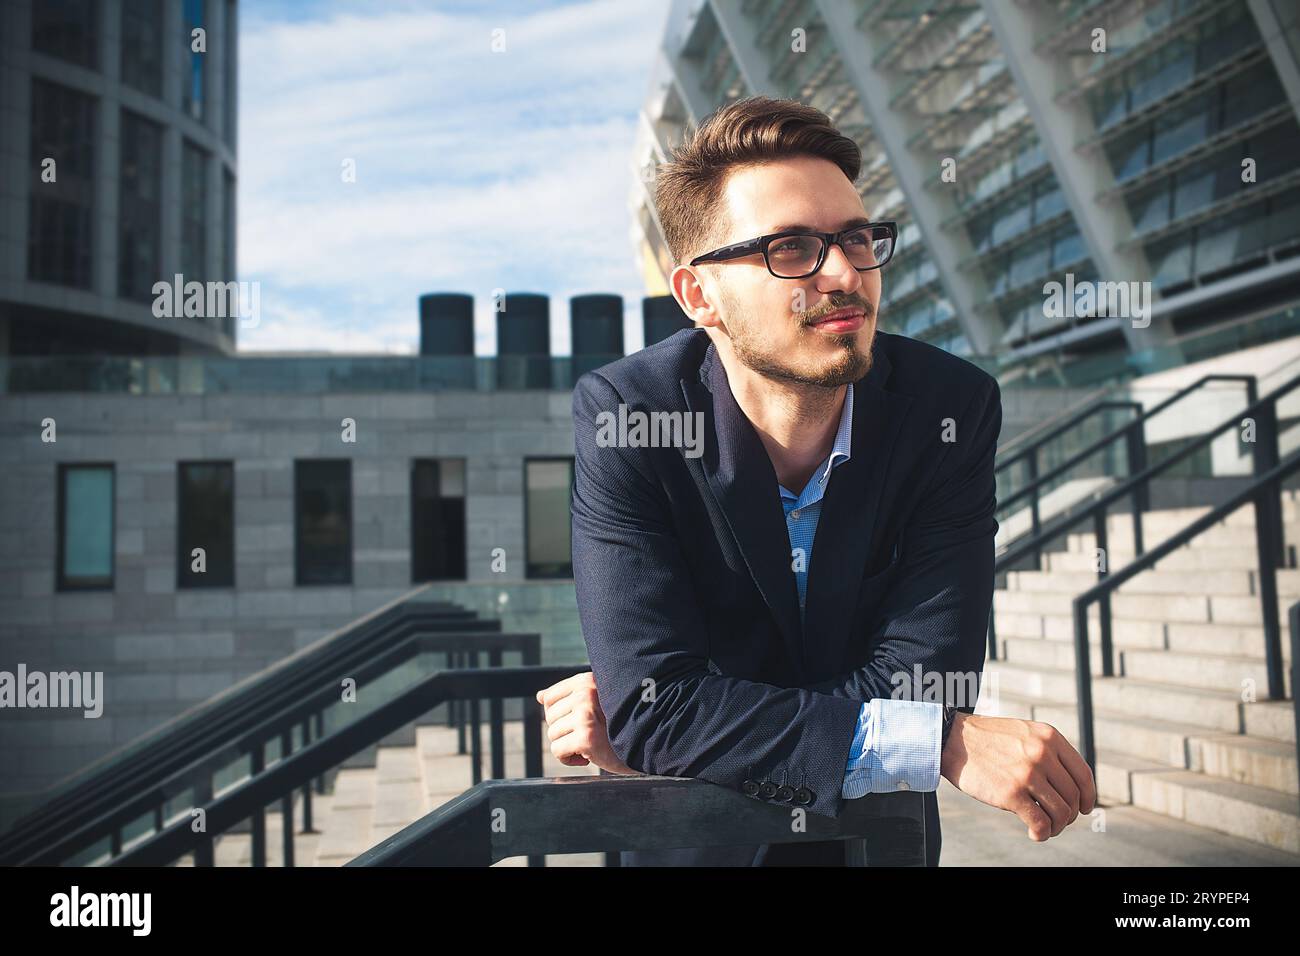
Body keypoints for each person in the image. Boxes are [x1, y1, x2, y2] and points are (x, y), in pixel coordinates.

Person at [537, 96, 1095, 866]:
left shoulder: (950, 408)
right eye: (791, 247)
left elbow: (927, 680)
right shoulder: (631, 415)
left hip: (875, 849)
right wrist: (929, 743)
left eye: (857, 239)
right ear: (700, 296)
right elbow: (656, 706)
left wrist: (682, 731)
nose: (844, 273)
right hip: (698, 852)